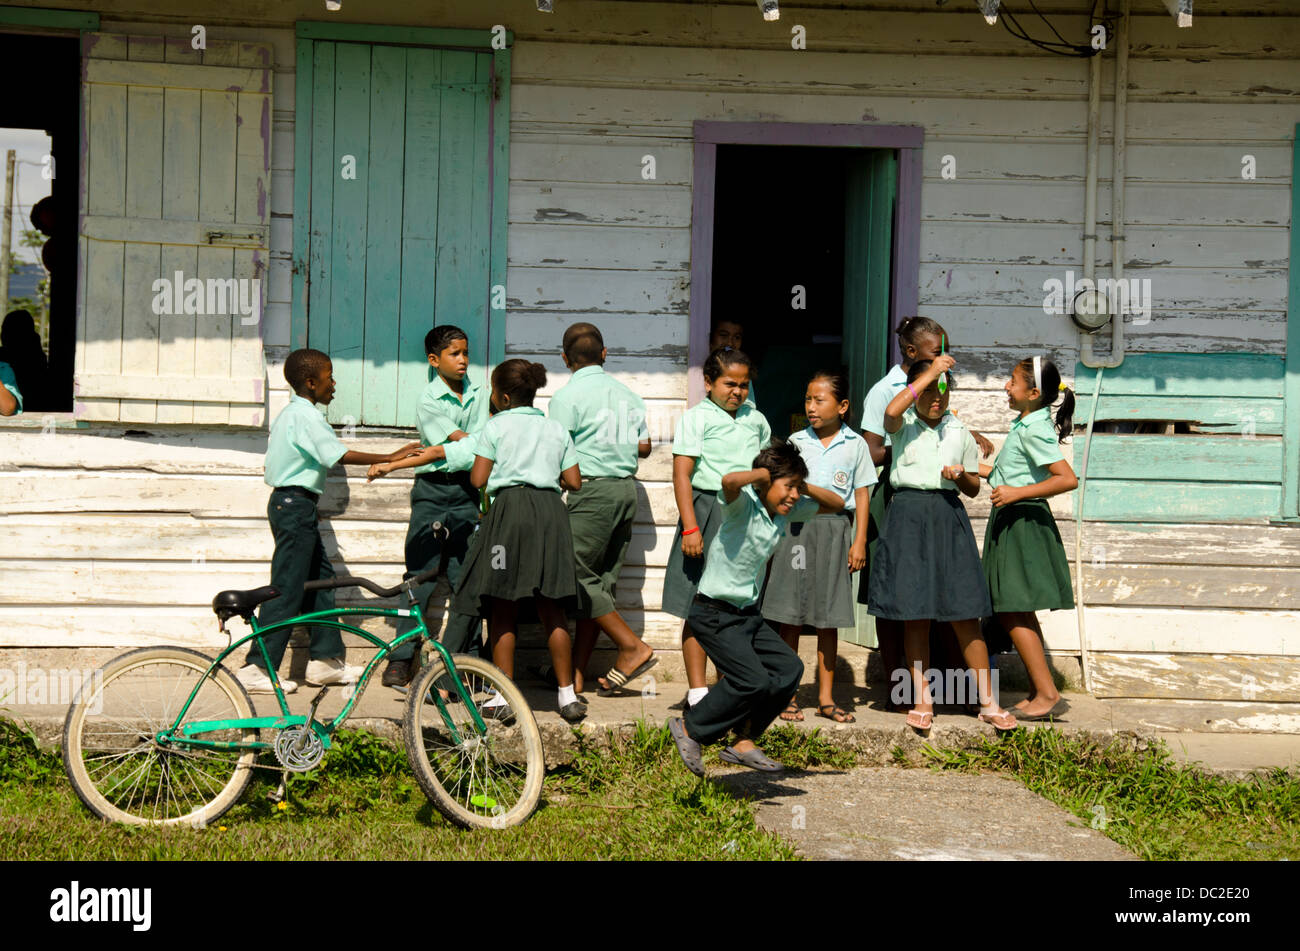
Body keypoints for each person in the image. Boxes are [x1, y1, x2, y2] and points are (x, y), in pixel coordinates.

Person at [238, 348, 421, 694]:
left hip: (295, 504)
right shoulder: (305, 416)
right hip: (293, 506)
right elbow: (335, 454)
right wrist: (391, 456)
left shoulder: (291, 415)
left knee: (322, 582)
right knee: (287, 587)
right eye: (329, 377)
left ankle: (324, 661)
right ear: (310, 382)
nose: (334, 384)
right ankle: (258, 667)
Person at [667, 440, 844, 776]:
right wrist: (766, 474)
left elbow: (836, 504)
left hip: (747, 615)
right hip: (713, 611)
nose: (793, 496)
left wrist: (799, 483)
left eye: (797, 488)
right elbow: (729, 482)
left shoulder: (786, 510)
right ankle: (690, 728)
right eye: (787, 487)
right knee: (751, 680)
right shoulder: (742, 506)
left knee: (789, 669)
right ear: (765, 484)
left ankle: (744, 740)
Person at [868, 355, 1017, 733]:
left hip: (948, 517)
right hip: (907, 516)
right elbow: (890, 410)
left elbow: (971, 487)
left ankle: (988, 701)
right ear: (914, 390)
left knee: (965, 612)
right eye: (930, 388)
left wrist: (959, 476)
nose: (937, 396)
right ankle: (922, 699)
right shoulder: (902, 427)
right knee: (915, 613)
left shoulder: (959, 430)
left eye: (943, 388)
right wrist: (932, 371)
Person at [858, 316, 993, 709]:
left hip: (943, 507)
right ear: (914, 353)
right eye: (937, 353)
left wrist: (955, 436)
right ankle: (903, 692)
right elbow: (874, 450)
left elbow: (966, 470)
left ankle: (965, 693)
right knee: (903, 599)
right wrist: (914, 443)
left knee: (950, 600)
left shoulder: (940, 401)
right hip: (898, 497)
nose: (944, 359)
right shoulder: (888, 392)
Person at [447, 359, 588, 723]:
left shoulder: (496, 426)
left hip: (507, 517)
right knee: (552, 604)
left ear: (504, 396)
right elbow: (574, 482)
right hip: (550, 518)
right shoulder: (556, 429)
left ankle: (502, 696)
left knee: (501, 603)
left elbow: (479, 479)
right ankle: (567, 695)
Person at [367, 326, 488, 688]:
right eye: (454, 354)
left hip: (467, 492)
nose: (463, 360)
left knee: (465, 579)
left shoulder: (481, 392)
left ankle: (471, 664)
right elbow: (464, 441)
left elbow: (479, 441)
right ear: (434, 361)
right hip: (433, 491)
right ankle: (402, 658)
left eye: (466, 353)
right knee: (419, 577)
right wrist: (485, 442)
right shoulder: (429, 399)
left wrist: (484, 443)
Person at [547, 322, 657, 695]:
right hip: (626, 491)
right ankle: (576, 674)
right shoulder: (628, 395)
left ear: (565, 358)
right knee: (602, 584)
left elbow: (555, 453)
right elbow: (644, 448)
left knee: (577, 574)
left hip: (591, 493)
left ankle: (632, 646)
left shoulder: (565, 398)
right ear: (605, 354)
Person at [762, 371, 874, 723]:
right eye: (808, 399)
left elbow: (862, 493)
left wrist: (859, 541)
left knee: (829, 618)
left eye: (819, 400)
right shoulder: (795, 441)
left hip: (836, 532)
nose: (811, 407)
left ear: (842, 406)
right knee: (790, 617)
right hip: (796, 531)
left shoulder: (855, 444)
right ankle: (788, 695)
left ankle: (826, 698)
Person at [664, 347, 771, 712]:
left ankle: (732, 686)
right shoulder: (697, 418)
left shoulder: (755, 420)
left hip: (742, 516)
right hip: (706, 511)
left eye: (744, 385)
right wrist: (691, 528)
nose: (737, 392)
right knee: (698, 602)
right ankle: (697, 692)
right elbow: (682, 474)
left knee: (734, 604)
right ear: (708, 382)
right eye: (729, 384)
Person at [979, 356, 1078, 720]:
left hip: (1023, 522)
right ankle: (1041, 690)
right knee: (1015, 608)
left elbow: (1066, 478)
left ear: (1033, 393)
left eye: (1012, 382)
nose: (1007, 386)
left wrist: (1017, 494)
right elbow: (1008, 473)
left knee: (1010, 607)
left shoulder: (1035, 429)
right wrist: (967, 468)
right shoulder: (1025, 423)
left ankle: (1048, 692)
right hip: (1010, 519)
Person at [0, 310, 47, 412]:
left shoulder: (33, 358)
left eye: (8, 330)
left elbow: (8, 407)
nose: (3, 335)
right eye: (3, 330)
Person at [710, 318, 756, 408]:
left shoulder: (742, 371)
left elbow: (749, 407)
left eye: (737, 337)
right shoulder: (696, 366)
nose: (730, 343)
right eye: (723, 335)